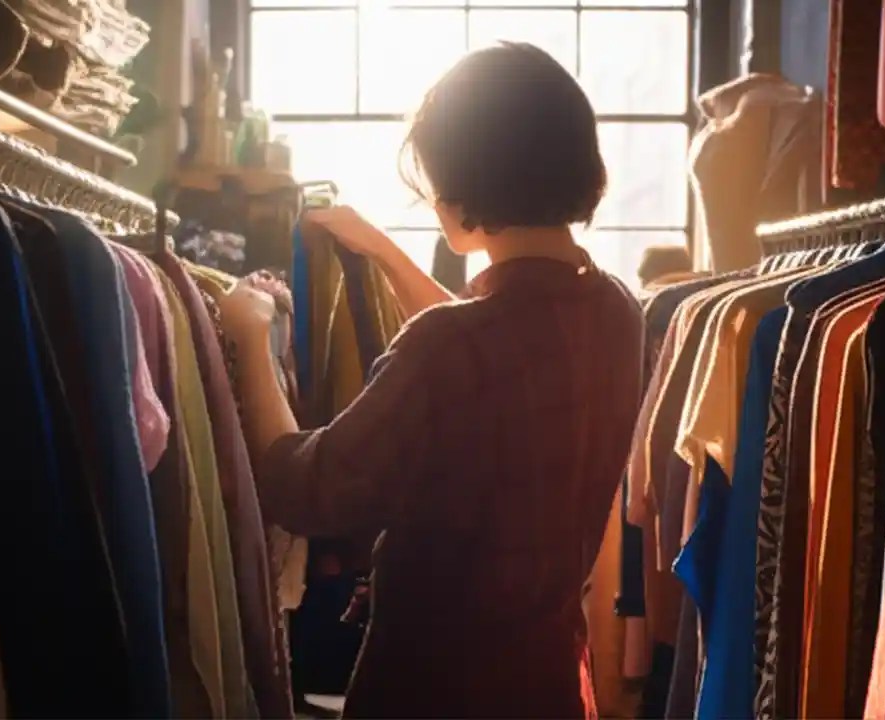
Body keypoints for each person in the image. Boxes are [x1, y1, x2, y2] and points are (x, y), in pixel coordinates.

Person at [220, 42, 644, 719]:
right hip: (550, 681)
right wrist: (385, 251)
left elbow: (305, 488)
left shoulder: (451, 347)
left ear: (464, 182)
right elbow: (495, 350)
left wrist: (248, 338)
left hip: (435, 685)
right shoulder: (618, 310)